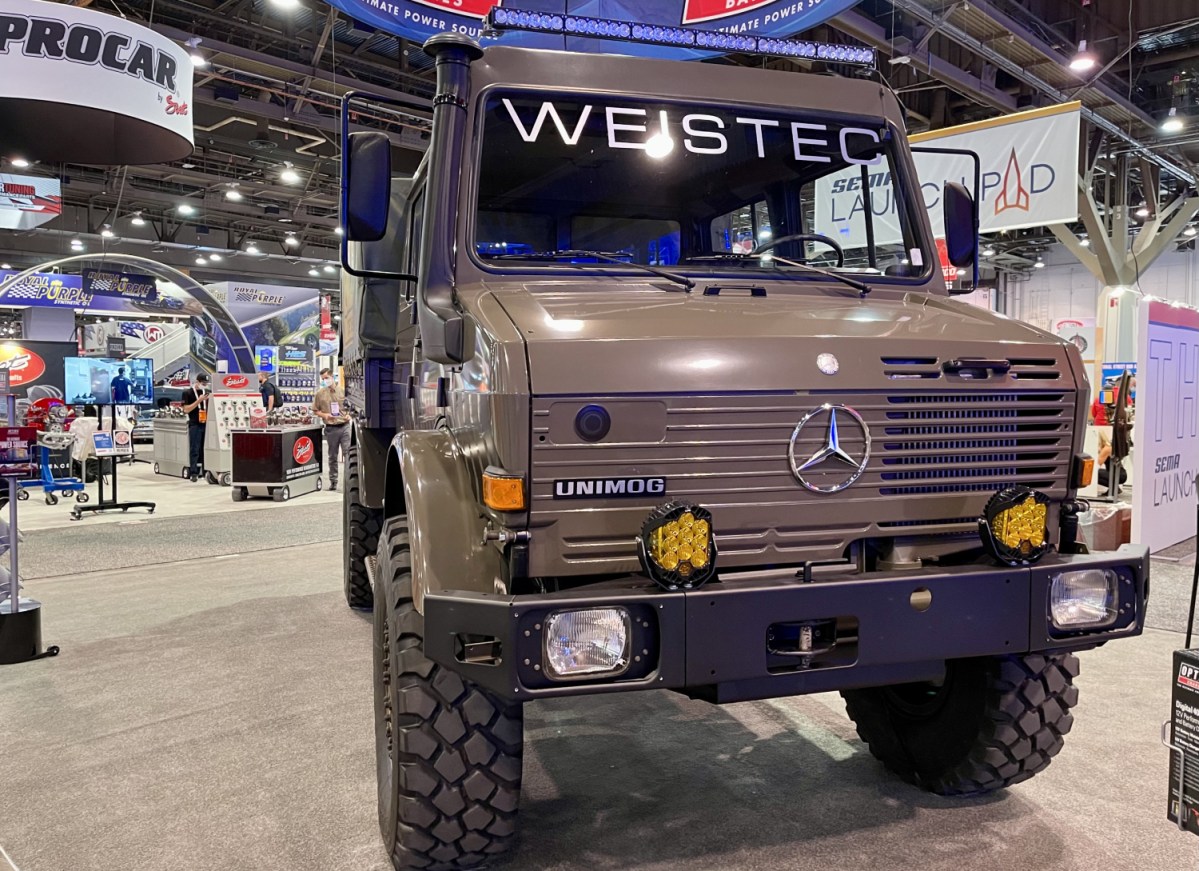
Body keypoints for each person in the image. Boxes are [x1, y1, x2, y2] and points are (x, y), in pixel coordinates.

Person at [313, 368, 349, 491]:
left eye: (326, 378)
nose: (325, 381)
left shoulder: (344, 391)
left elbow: (352, 407)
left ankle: (349, 482)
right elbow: (315, 410)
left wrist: (350, 414)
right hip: (331, 429)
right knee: (332, 456)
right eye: (323, 379)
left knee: (348, 454)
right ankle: (333, 481)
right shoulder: (320, 394)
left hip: (345, 426)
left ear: (332, 376)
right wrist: (325, 415)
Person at [181, 373, 209, 482]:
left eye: (206, 384)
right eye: (203, 383)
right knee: (194, 448)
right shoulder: (188, 393)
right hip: (195, 423)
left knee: (204, 448)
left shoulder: (207, 393)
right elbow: (186, 409)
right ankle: (194, 472)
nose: (204, 385)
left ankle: (205, 470)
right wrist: (199, 401)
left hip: (206, 423)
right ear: (197, 382)